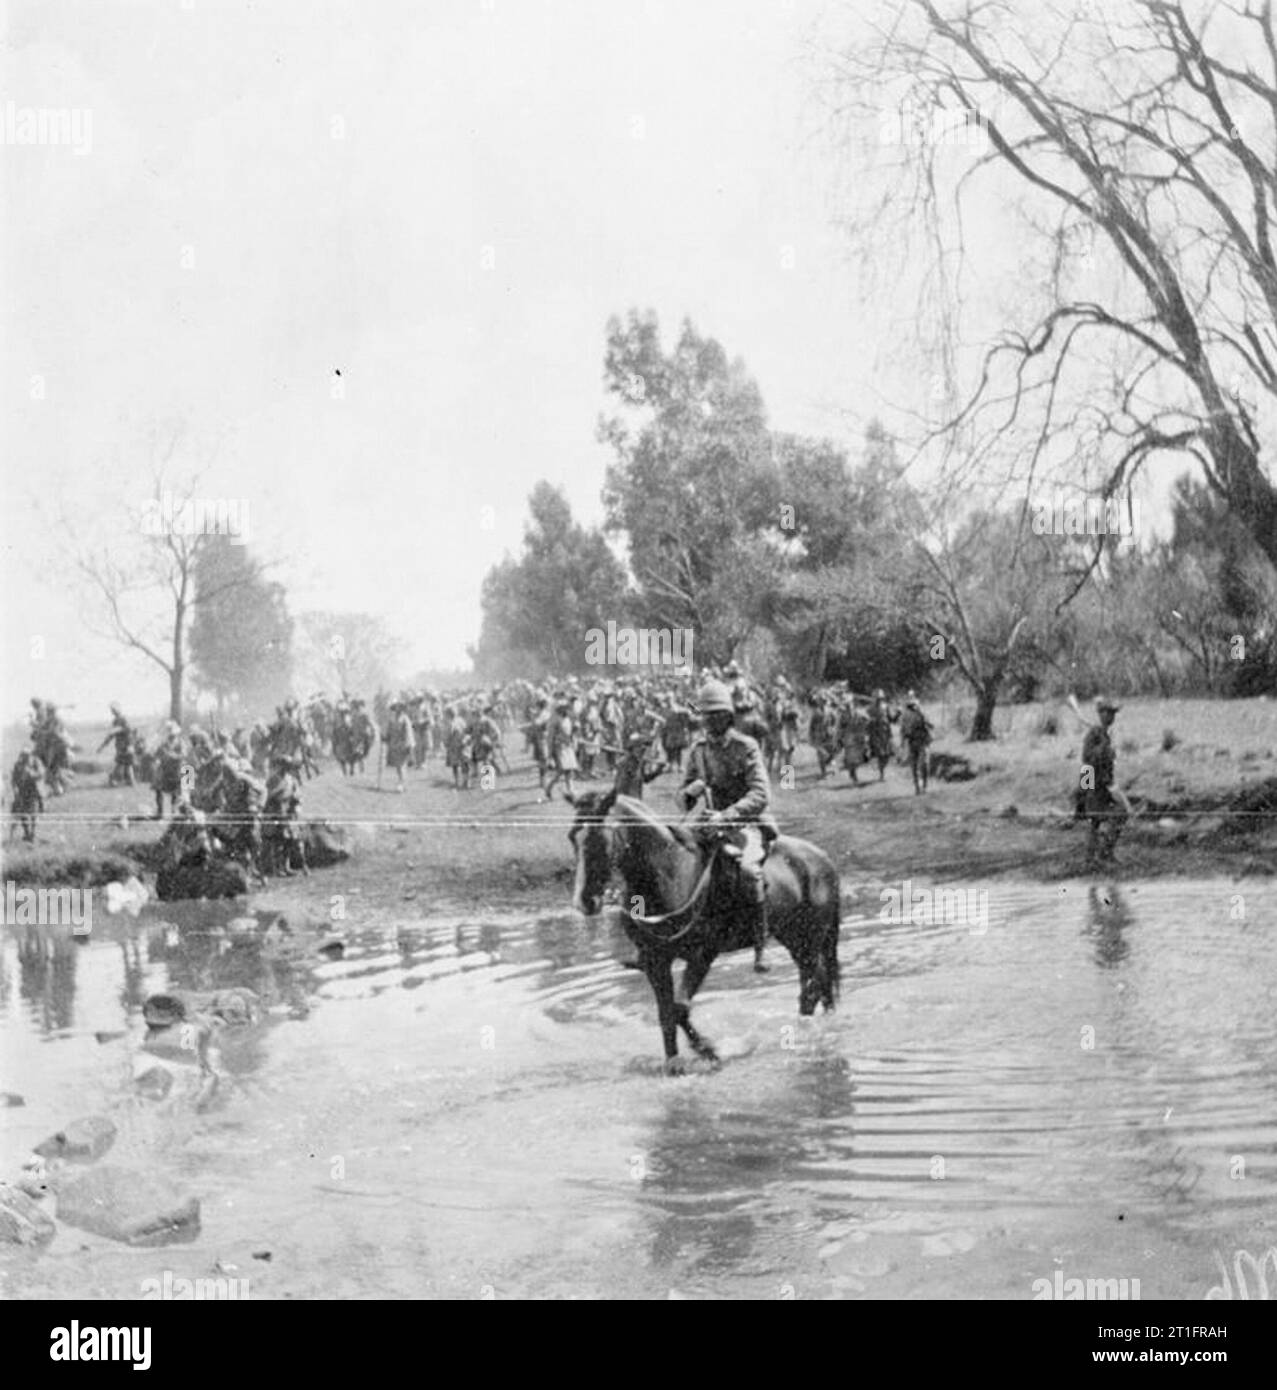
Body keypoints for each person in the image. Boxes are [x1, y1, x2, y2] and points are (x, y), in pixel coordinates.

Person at [680, 679, 776, 973]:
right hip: (709, 822)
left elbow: (761, 794)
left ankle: (761, 948)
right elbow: (682, 797)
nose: (707, 721)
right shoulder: (697, 750)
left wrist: (728, 815)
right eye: (704, 715)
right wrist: (690, 792)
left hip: (744, 824)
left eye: (713, 715)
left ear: (727, 716)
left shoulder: (745, 747)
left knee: (748, 872)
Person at [1078, 697, 1129, 869]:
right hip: (1093, 785)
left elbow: (1104, 762)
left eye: (1113, 714)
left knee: (1104, 819)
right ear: (1102, 714)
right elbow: (1086, 760)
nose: (1112, 717)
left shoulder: (1103, 734)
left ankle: (1098, 856)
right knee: (1100, 820)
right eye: (1109, 713)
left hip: (1103, 785)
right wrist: (1086, 790)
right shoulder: (1094, 734)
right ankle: (1099, 856)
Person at [542, 696, 578, 802]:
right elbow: (550, 738)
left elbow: (570, 733)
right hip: (559, 748)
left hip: (568, 747)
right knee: (560, 772)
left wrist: (573, 737)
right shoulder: (554, 720)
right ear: (559, 709)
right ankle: (548, 789)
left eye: (566, 707)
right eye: (564, 708)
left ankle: (571, 791)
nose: (566, 709)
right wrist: (549, 754)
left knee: (570, 771)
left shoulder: (567, 718)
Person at [899, 693, 933, 795]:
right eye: (910, 706)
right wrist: (902, 742)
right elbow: (903, 730)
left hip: (922, 740)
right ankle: (917, 787)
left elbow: (930, 725)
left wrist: (925, 722)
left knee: (924, 764)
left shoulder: (922, 713)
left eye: (913, 705)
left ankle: (925, 786)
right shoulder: (904, 716)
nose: (912, 708)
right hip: (912, 741)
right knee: (914, 766)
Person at [9, 749, 45, 842]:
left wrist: (31, 774)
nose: (25, 758)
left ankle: (33, 833)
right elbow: (14, 779)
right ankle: (27, 833)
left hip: (34, 791)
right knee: (22, 813)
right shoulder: (18, 765)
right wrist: (15, 789)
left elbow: (41, 773)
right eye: (24, 756)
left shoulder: (36, 762)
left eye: (27, 756)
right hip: (22, 791)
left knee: (34, 813)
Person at [97, 704, 136, 786]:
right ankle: (128, 782)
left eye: (114, 710)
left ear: (119, 710)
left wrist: (130, 745)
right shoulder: (115, 721)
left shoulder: (124, 720)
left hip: (126, 746)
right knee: (124, 764)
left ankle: (119, 781)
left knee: (124, 764)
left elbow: (128, 732)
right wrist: (102, 746)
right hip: (121, 746)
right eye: (112, 710)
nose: (113, 712)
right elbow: (111, 735)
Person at [384, 700, 415, 792]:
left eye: (400, 707)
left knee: (401, 765)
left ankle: (401, 784)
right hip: (394, 745)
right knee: (398, 765)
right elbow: (389, 731)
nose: (398, 709)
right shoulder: (392, 719)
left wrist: (408, 745)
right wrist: (385, 737)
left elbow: (409, 733)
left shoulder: (405, 719)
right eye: (396, 707)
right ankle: (403, 783)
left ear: (402, 708)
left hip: (403, 744)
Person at [867, 689, 896, 783]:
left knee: (887, 755)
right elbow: (868, 721)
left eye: (880, 698)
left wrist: (898, 714)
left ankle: (882, 769)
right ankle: (881, 774)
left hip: (886, 732)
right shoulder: (870, 709)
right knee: (880, 754)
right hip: (876, 733)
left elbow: (891, 719)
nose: (879, 700)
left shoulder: (886, 706)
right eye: (877, 698)